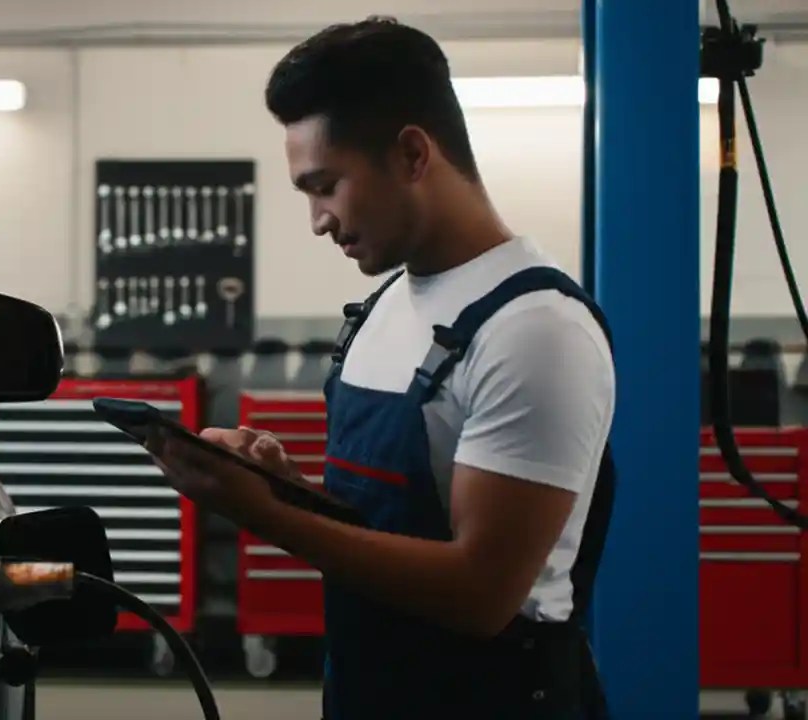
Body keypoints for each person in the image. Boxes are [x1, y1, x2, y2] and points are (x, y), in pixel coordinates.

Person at [146, 16, 617, 720]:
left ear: (412, 155)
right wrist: (289, 490)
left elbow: (482, 594)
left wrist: (266, 516)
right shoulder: (384, 306)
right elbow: (389, 533)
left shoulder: (534, 329)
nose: (317, 219)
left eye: (326, 185)